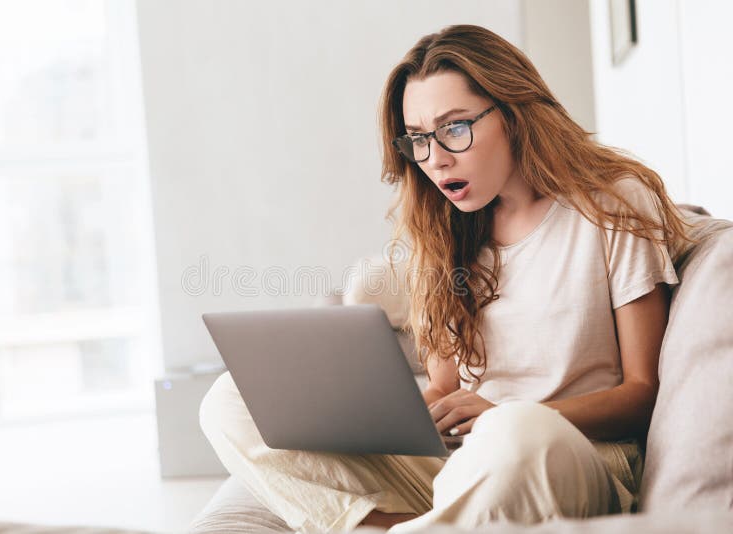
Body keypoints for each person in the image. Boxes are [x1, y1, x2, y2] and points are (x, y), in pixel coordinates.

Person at [199, 24, 697, 532]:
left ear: (513, 112)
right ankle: (388, 524)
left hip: (565, 454)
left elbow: (642, 392)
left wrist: (502, 414)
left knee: (515, 426)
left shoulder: (612, 202)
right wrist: (380, 413)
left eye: (455, 127)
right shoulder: (442, 233)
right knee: (229, 399)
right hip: (462, 462)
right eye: (418, 138)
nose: (435, 159)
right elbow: (443, 387)